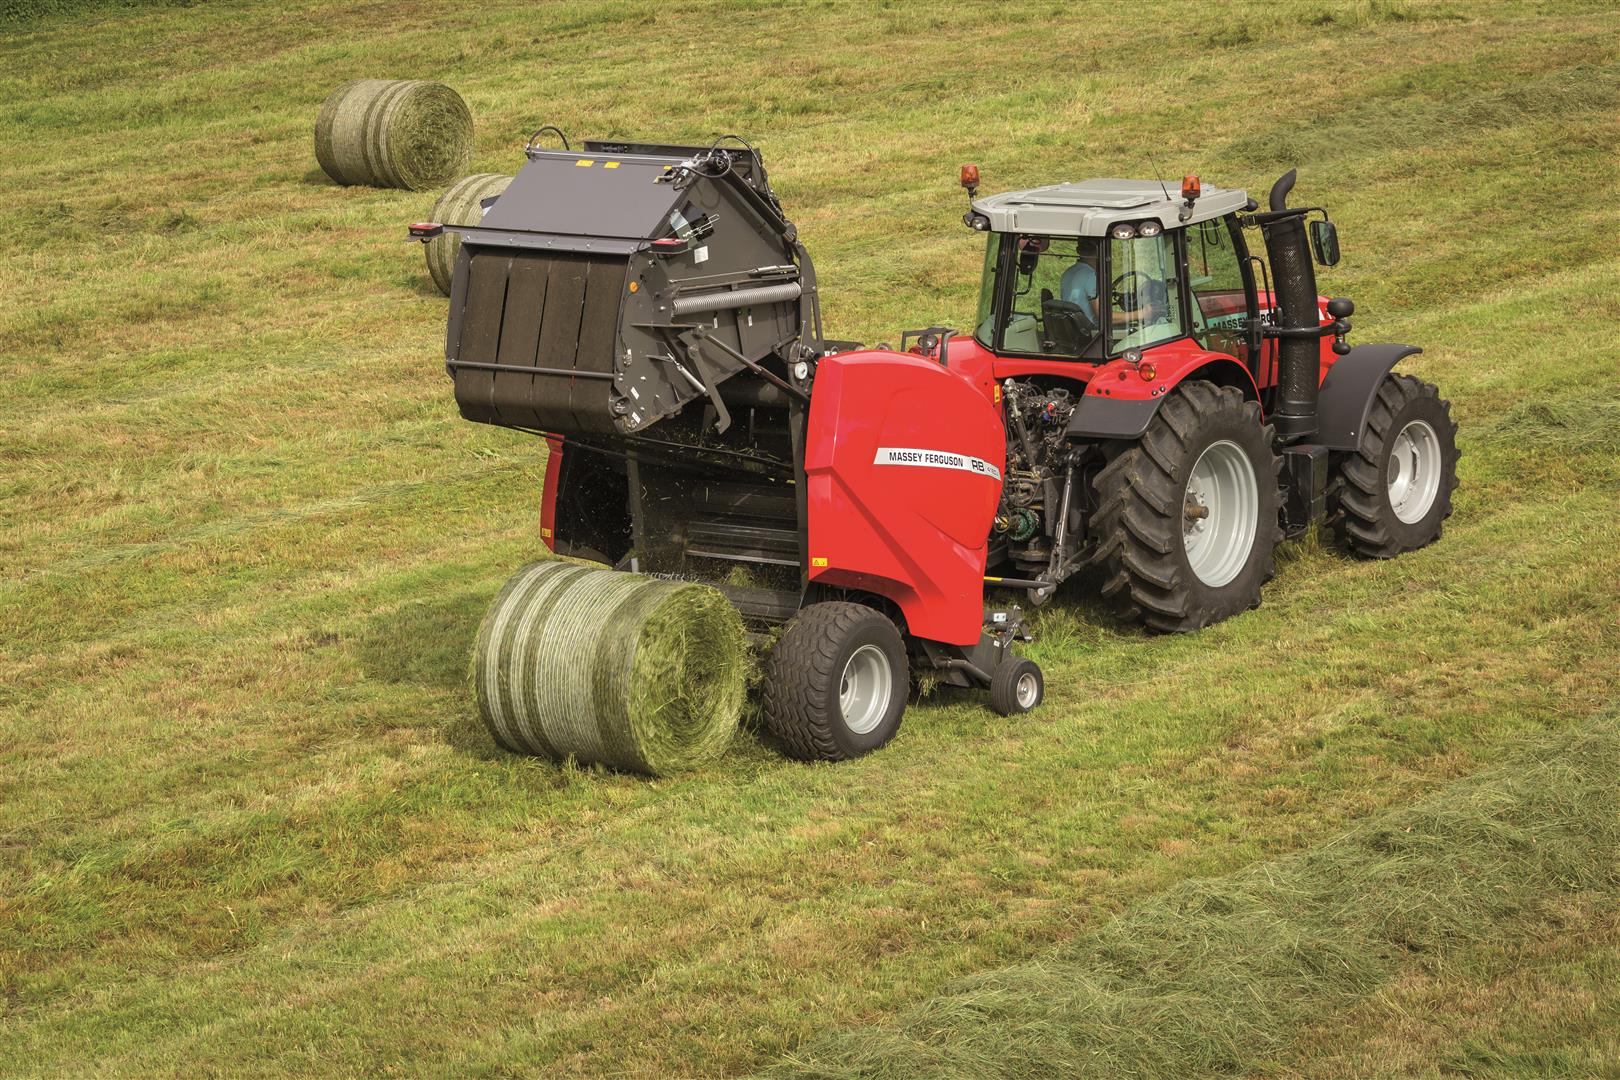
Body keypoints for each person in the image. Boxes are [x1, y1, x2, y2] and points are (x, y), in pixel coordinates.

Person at [1059, 240, 1157, 329]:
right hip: (1092, 334)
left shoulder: (1068, 273)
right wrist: (1141, 313)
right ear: (1102, 251)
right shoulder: (1091, 276)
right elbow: (1104, 317)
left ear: (1078, 250)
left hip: (1076, 329)